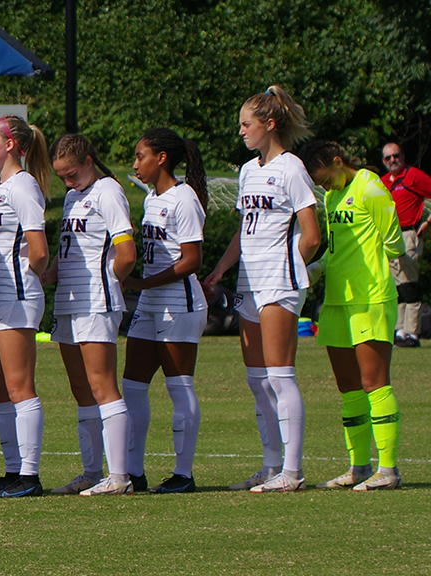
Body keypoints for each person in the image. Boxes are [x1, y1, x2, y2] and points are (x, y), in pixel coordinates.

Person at [202, 85, 321, 493]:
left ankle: (292, 471)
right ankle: (271, 466)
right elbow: (245, 230)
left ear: (269, 124)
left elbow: (312, 236)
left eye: (246, 124)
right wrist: (220, 271)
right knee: (257, 379)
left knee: (280, 375)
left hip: (278, 283)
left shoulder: (292, 168)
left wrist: (286, 268)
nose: (241, 131)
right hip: (248, 283)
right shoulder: (247, 171)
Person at [300, 140, 404, 491]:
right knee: (348, 387)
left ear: (338, 161)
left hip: (369, 298)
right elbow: (335, 249)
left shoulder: (370, 186)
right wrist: (315, 269)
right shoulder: (332, 198)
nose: (323, 186)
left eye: (324, 177)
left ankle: (388, 470)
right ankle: (359, 466)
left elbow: (394, 243)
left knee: (375, 382)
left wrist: (374, 266)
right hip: (336, 300)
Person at [42, 134, 136, 496]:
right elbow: (70, 246)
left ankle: (119, 477)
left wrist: (109, 281)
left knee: (102, 386)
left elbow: (126, 252)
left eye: (72, 174)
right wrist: (52, 272)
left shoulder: (108, 191)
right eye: (62, 177)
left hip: (95, 301)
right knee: (81, 390)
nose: (68, 182)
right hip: (69, 301)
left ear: (88, 162)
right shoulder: (72, 197)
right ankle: (91, 472)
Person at [122, 128, 208, 494]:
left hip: (179, 303)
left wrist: (142, 283)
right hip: (151, 303)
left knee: (178, 385)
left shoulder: (184, 198)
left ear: (161, 158)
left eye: (140, 156)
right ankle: (133, 472)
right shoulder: (152, 198)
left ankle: (183, 475)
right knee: (132, 387)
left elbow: (192, 260)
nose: (135, 164)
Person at [0, 115, 51, 498]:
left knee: (19, 386)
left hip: (15, 295)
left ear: (10, 145)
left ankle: (30, 477)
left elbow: (39, 252)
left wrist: (26, 278)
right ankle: (12, 470)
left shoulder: (23, 186)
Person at [380, 142, 431, 348]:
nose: (393, 160)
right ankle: (400, 330)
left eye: (396, 155)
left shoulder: (414, 176)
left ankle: (412, 332)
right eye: (388, 157)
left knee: (409, 283)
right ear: (383, 161)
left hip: (409, 233)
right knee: (398, 286)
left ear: (402, 155)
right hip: (390, 236)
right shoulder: (383, 181)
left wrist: (427, 223)